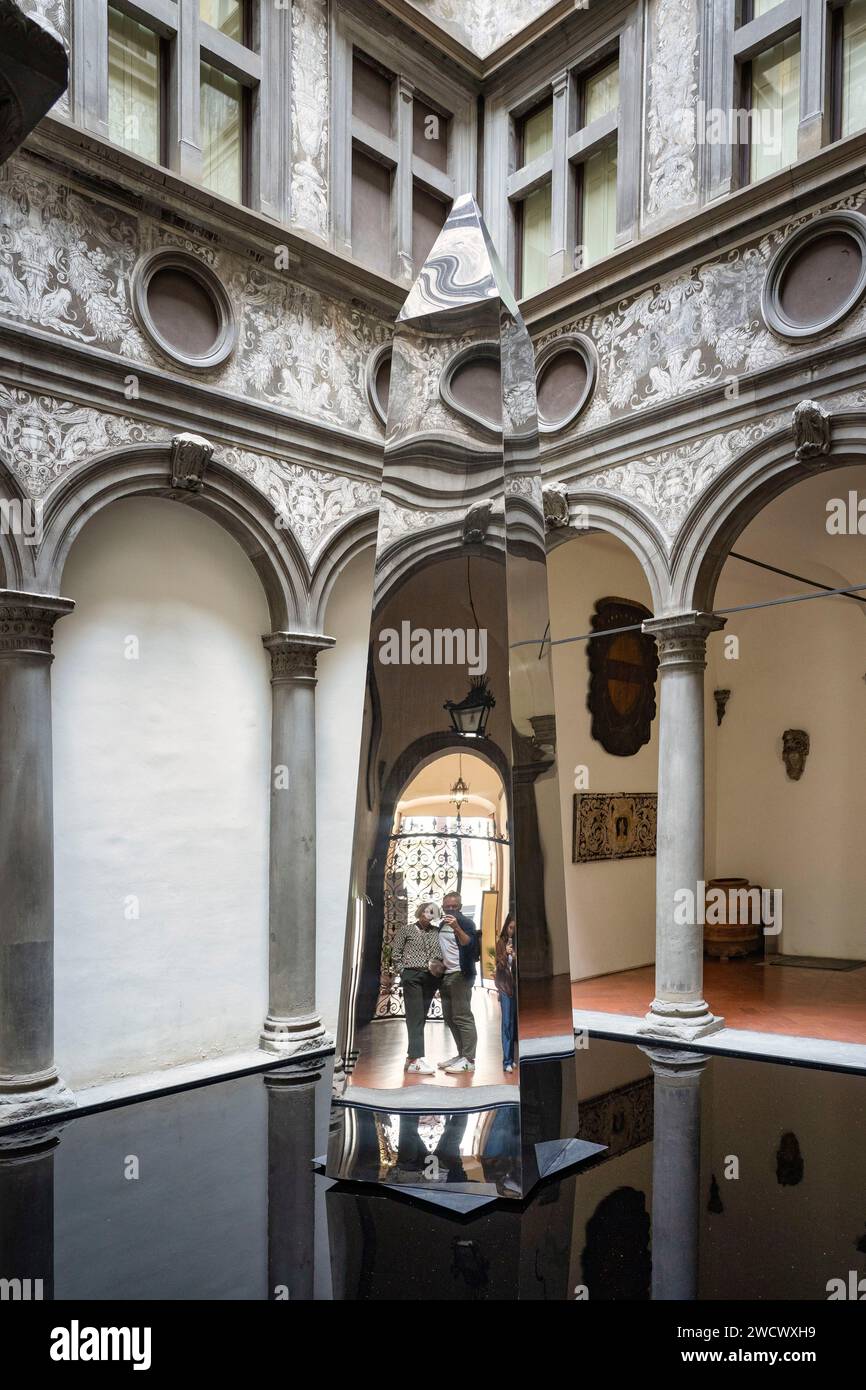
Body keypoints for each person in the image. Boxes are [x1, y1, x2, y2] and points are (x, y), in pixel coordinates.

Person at [391, 902, 443, 1075]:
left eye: (432, 913)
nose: (428, 915)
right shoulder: (406, 930)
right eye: (426, 911)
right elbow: (396, 953)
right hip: (412, 976)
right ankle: (415, 1059)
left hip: (431, 977)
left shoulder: (437, 932)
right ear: (420, 912)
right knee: (415, 1017)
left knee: (420, 1017)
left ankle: (411, 1058)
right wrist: (403, 971)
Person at [437, 891, 480, 1074]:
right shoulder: (441, 924)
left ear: (460, 907)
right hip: (444, 975)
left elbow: (470, 945)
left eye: (454, 906)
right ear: (443, 907)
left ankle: (469, 1060)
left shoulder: (466, 923)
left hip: (460, 975)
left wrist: (457, 928)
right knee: (450, 1017)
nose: (451, 910)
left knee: (463, 1017)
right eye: (447, 907)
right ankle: (461, 1054)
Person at [495, 914, 517, 1073]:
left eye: (515, 929)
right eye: (510, 928)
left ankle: (511, 1058)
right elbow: (499, 965)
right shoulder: (501, 943)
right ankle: (506, 1061)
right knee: (506, 1023)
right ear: (506, 927)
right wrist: (507, 954)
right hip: (505, 987)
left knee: (513, 1023)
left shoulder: (517, 943)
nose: (512, 932)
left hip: (515, 987)